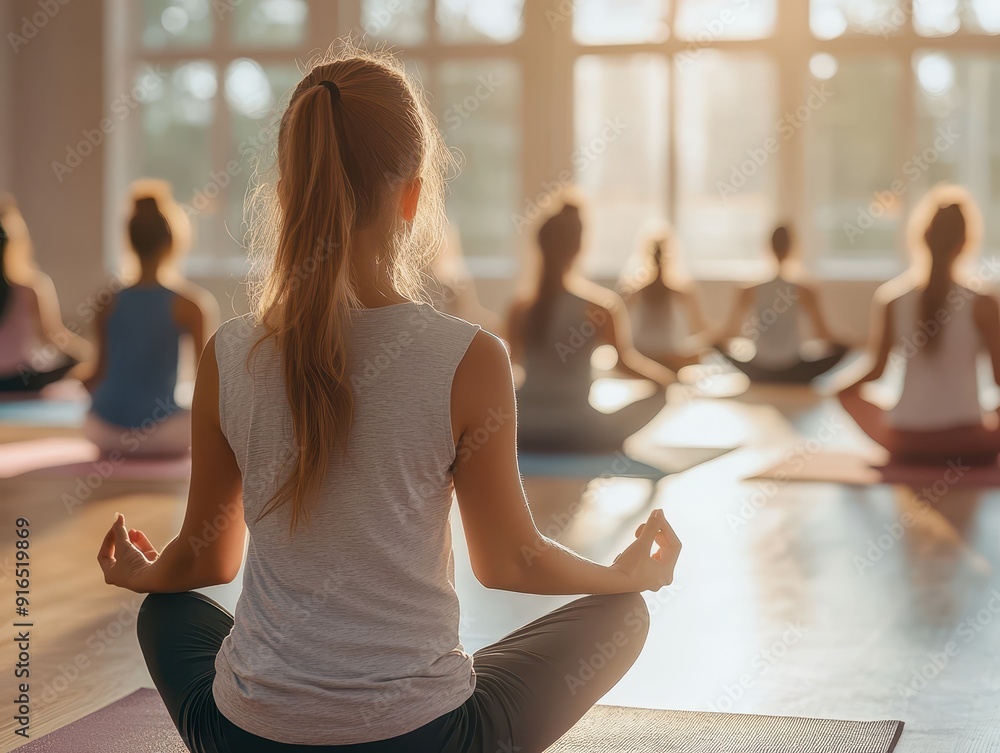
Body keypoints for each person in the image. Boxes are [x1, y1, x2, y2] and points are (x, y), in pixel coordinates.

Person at [97, 46, 682, 753]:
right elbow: (510, 561)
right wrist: (623, 574)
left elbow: (203, 560)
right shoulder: (470, 357)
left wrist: (141, 572)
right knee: (623, 616)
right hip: (425, 738)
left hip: (246, 738)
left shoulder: (229, 353)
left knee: (164, 610)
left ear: (286, 196)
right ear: (411, 196)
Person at [839, 184, 1000, 465]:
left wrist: (838, 389)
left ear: (922, 238)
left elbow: (874, 372)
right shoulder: (982, 302)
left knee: (847, 397)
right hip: (972, 443)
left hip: (904, 441)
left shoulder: (893, 298)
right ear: (965, 241)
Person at [507, 201, 676, 454]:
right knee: (662, 394)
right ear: (579, 247)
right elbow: (624, 363)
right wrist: (667, 380)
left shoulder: (519, 309)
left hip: (524, 427)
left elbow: (510, 365)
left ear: (540, 247)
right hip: (577, 429)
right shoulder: (599, 307)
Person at [84, 181, 216, 456]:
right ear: (171, 243)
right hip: (162, 435)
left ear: (130, 241)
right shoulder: (190, 305)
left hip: (102, 430)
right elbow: (206, 382)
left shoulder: (106, 302)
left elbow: (97, 374)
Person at [717, 224, 847, 384]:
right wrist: (853, 343)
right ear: (794, 248)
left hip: (758, 369)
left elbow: (729, 334)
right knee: (844, 349)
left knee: (715, 346)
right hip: (795, 370)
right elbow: (823, 335)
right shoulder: (805, 289)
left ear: (768, 248)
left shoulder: (749, 289)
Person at [0, 195, 90, 391]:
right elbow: (54, 337)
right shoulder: (30, 288)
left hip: (16, 379)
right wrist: (89, 355)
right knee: (75, 363)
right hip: (20, 380)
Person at [623, 230, 707, 372]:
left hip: (644, 353)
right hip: (663, 354)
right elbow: (699, 328)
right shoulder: (683, 292)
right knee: (703, 353)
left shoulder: (633, 292)